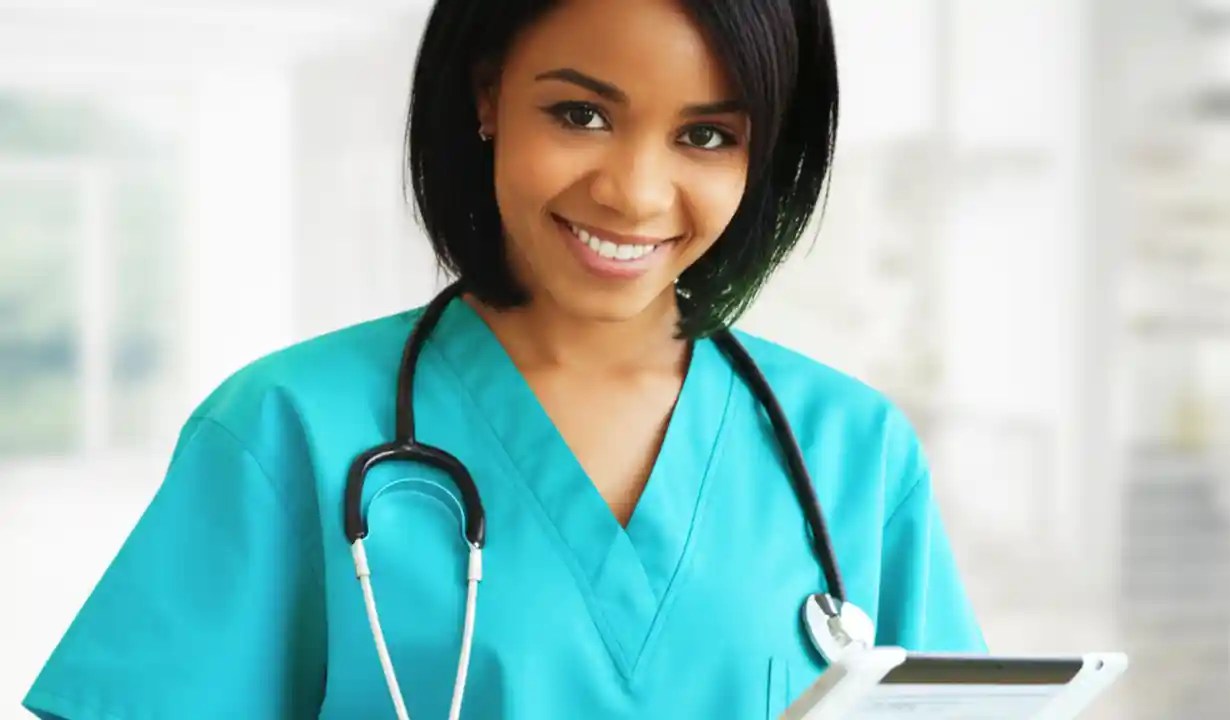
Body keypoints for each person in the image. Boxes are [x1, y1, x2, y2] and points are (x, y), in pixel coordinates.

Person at [23, 0, 985, 718]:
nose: (636, 193)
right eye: (581, 115)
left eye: (706, 136)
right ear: (488, 96)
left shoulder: (853, 451)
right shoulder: (288, 429)